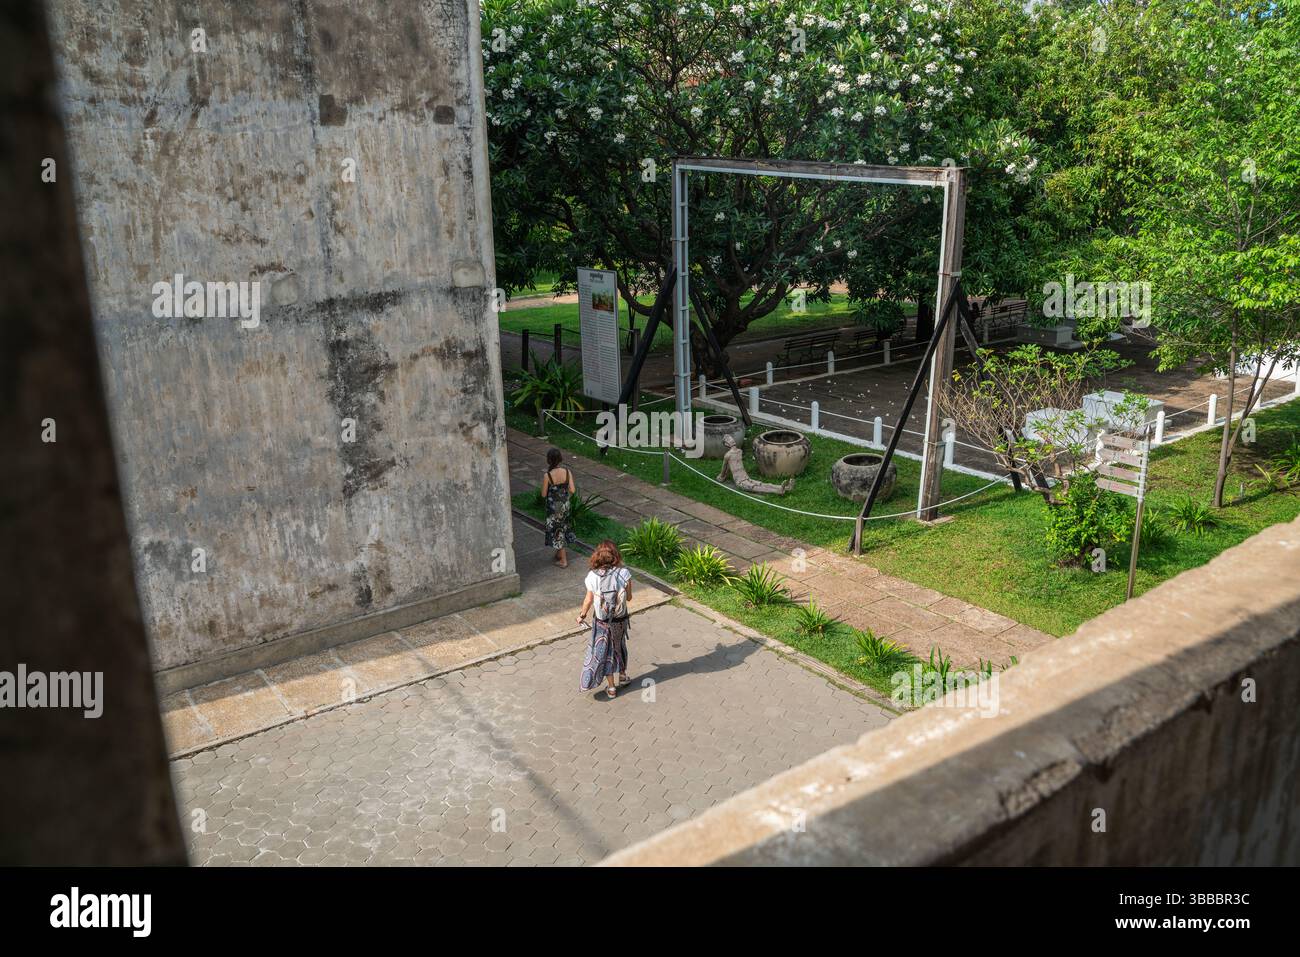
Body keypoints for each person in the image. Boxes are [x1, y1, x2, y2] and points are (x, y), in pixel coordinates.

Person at [577, 540, 632, 698]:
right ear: (615, 556)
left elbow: (588, 600)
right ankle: (622, 675)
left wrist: (582, 615)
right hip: (620, 619)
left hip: (601, 621)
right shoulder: (624, 573)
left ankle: (612, 687)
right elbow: (628, 598)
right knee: (619, 645)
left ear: (597, 556)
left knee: (606, 652)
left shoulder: (592, 576)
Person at [716, 434, 793, 494]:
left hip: (743, 479)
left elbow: (724, 470)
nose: (731, 440)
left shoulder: (730, 454)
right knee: (758, 486)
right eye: (729, 439)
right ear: (726, 443)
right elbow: (726, 469)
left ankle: (785, 487)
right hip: (742, 480)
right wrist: (722, 476)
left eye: (730, 438)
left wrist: (721, 477)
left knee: (760, 485)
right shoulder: (739, 452)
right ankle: (779, 490)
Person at [542, 448, 576, 567]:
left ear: (549, 460)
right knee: (563, 527)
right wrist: (564, 497)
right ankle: (559, 554)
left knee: (557, 531)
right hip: (565, 505)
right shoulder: (567, 472)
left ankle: (563, 561)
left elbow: (543, 494)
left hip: (554, 508)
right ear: (560, 459)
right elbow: (572, 490)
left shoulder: (548, 476)